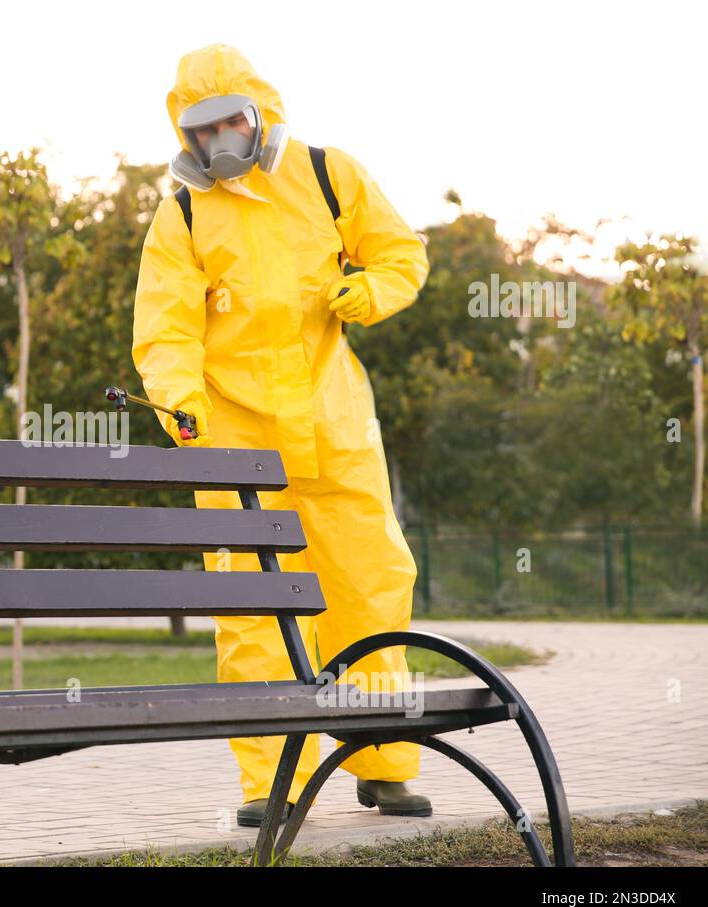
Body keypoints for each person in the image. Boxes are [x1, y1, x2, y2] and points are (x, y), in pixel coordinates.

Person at [132, 43, 433, 827]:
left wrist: (370, 289)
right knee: (252, 612)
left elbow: (403, 254)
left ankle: (384, 764)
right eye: (203, 129)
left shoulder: (331, 174)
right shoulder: (185, 211)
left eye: (233, 120)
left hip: (335, 428)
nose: (221, 139)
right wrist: (178, 399)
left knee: (369, 590)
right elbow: (166, 328)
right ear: (185, 135)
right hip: (233, 434)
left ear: (260, 111)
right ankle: (271, 783)